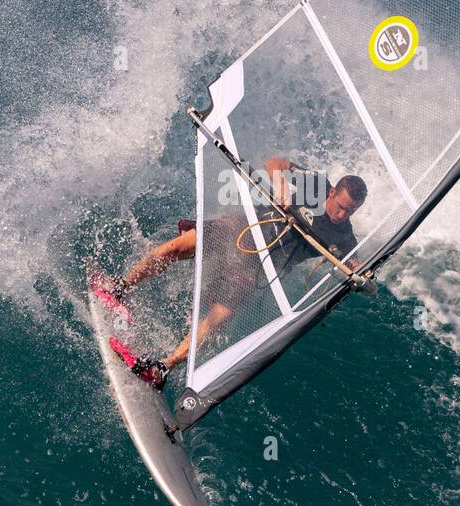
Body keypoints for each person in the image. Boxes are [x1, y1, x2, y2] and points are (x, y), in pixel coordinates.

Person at [93, 157, 368, 389]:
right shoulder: (316, 185)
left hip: (257, 267)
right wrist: (282, 189)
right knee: (175, 247)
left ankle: (162, 367)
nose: (342, 215)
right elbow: (274, 163)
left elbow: (353, 265)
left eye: (350, 211)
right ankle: (121, 286)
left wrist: (363, 278)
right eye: (341, 206)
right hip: (239, 230)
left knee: (218, 317)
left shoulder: (343, 238)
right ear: (332, 192)